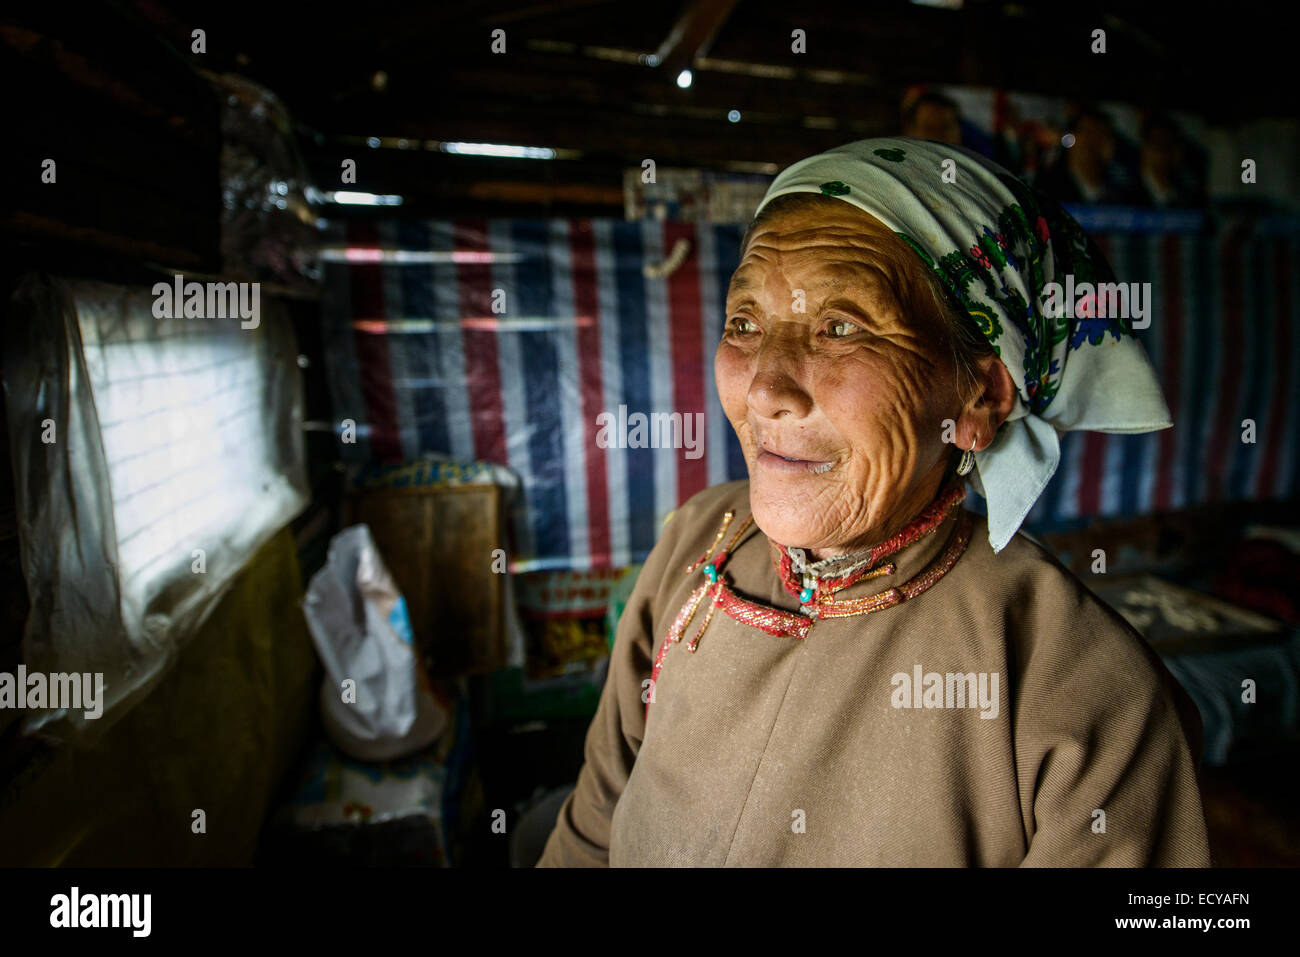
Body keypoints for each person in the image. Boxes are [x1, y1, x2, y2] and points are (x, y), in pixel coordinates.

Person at [537, 137, 1211, 867]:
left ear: (979, 395)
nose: (765, 386)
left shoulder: (1083, 691)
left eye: (840, 328)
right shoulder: (699, 540)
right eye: (744, 323)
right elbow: (592, 828)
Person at [1036, 106, 1142, 205]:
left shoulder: (1126, 193)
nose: (1093, 143)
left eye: (1102, 135)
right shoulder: (1048, 188)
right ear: (1071, 139)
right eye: (1087, 133)